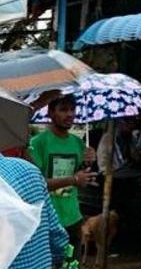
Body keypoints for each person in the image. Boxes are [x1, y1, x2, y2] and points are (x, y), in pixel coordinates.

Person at [31, 95, 94, 256]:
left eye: (72, 109)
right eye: (63, 110)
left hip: (73, 218)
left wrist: (88, 164)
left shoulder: (78, 143)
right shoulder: (38, 143)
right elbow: (36, 184)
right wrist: (73, 179)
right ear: (51, 113)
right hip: (46, 220)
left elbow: (83, 181)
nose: (70, 114)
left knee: (71, 268)